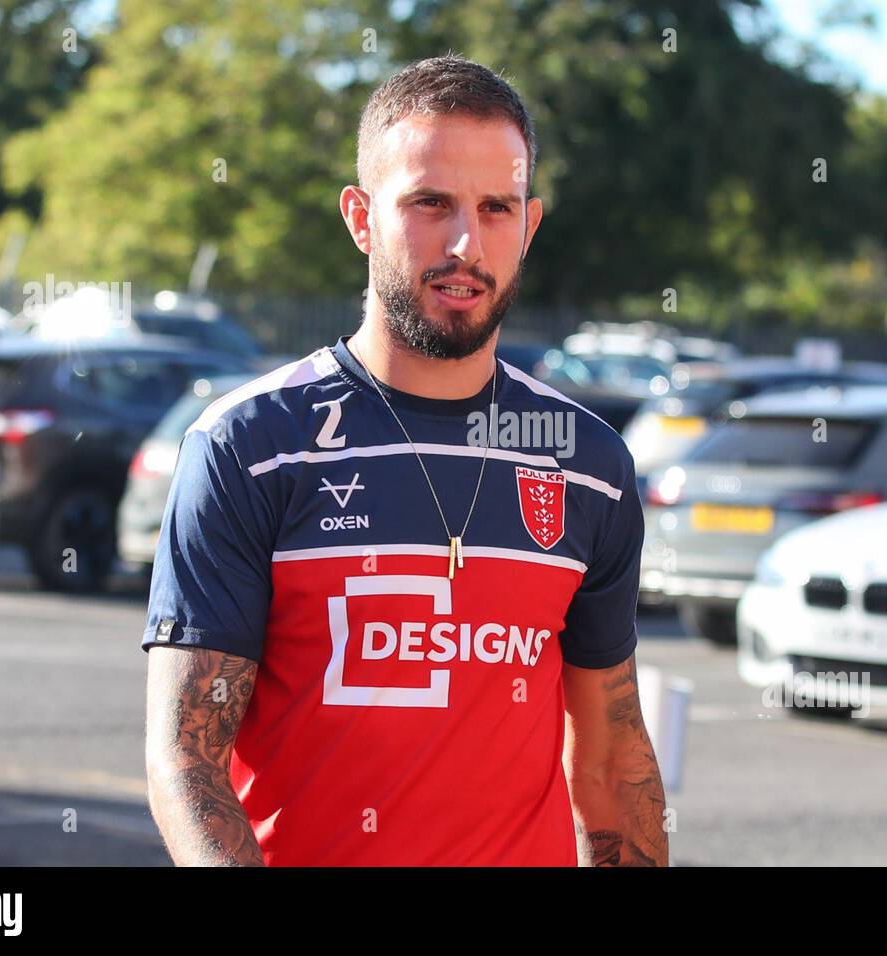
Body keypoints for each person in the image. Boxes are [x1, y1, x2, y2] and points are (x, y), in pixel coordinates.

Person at [142, 53, 667, 866]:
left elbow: (610, 760)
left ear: (529, 224)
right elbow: (187, 760)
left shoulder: (588, 462)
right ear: (360, 216)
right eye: (430, 203)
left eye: (498, 207)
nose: (466, 241)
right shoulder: (247, 446)